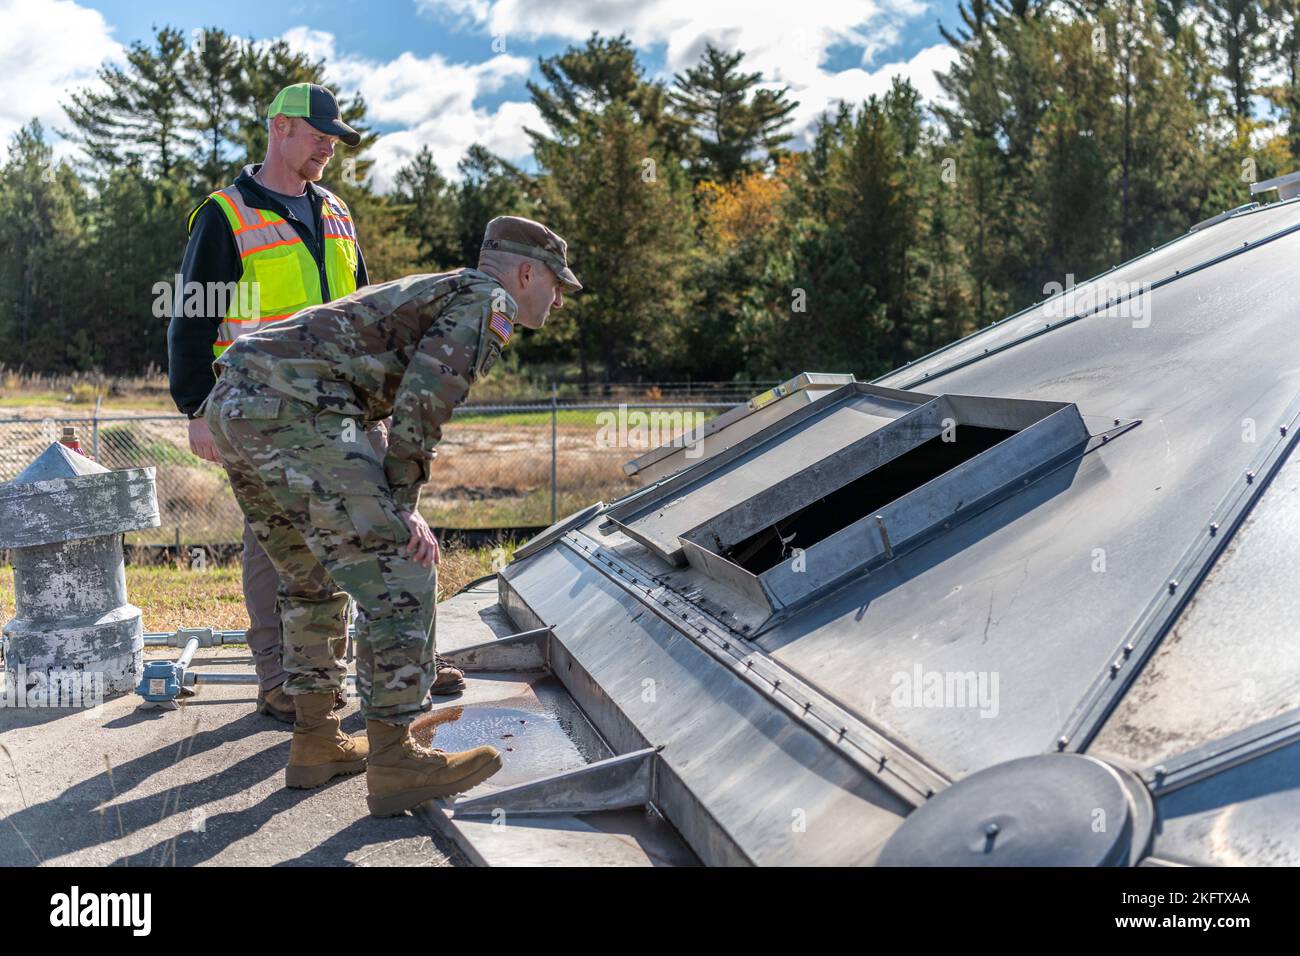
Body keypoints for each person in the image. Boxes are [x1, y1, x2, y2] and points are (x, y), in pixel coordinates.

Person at [202, 216, 581, 815]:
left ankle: (317, 740)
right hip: (298, 405)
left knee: (309, 578)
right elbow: (423, 405)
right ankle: (396, 759)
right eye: (557, 284)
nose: (559, 299)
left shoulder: (444, 289)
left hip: (235, 399)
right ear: (526, 272)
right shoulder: (489, 301)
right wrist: (402, 509)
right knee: (403, 568)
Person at [168, 83, 451, 718]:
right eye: (318, 133)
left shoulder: (337, 212)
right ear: (279, 128)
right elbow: (191, 320)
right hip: (264, 409)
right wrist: (196, 408)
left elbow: (369, 308)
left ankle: (391, 666)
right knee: (277, 546)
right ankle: (283, 682)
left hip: (348, 404)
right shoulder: (226, 214)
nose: (329, 145)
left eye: (335, 137)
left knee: (378, 528)